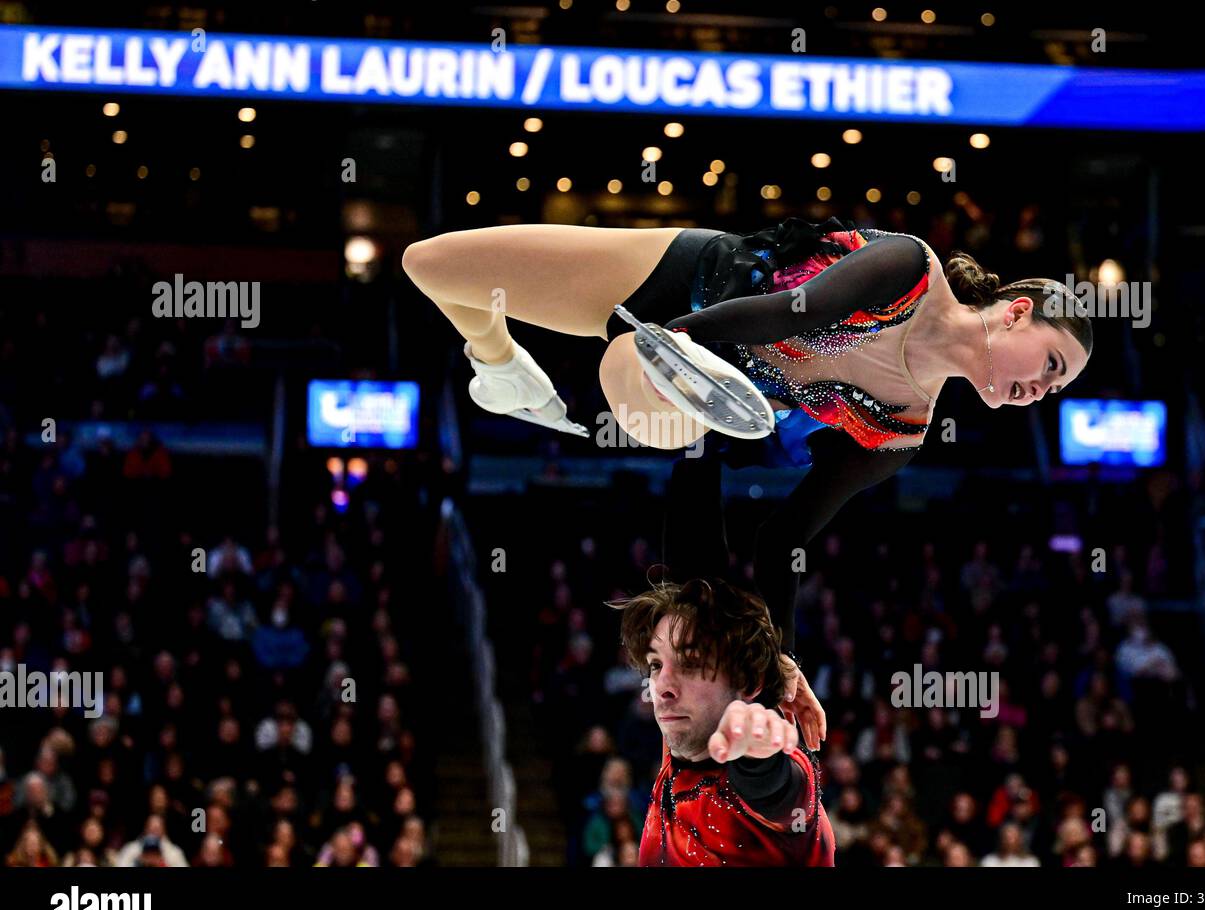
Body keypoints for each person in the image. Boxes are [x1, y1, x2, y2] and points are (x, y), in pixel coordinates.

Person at [405, 217, 1094, 742]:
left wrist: (780, 659)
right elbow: (788, 314)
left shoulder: (900, 431)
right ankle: (498, 366)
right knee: (429, 265)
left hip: (680, 395)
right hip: (686, 283)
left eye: (1054, 389)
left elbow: (781, 538)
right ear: (1016, 312)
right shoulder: (911, 269)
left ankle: (632, 371)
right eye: (1051, 366)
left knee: (670, 420)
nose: (1040, 390)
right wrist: (668, 339)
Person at [610, 577, 835, 866]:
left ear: (748, 682)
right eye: (656, 664)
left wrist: (758, 756)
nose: (661, 687)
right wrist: (782, 655)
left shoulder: (783, 777)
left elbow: (774, 790)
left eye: (690, 662)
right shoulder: (686, 739)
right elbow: (691, 555)